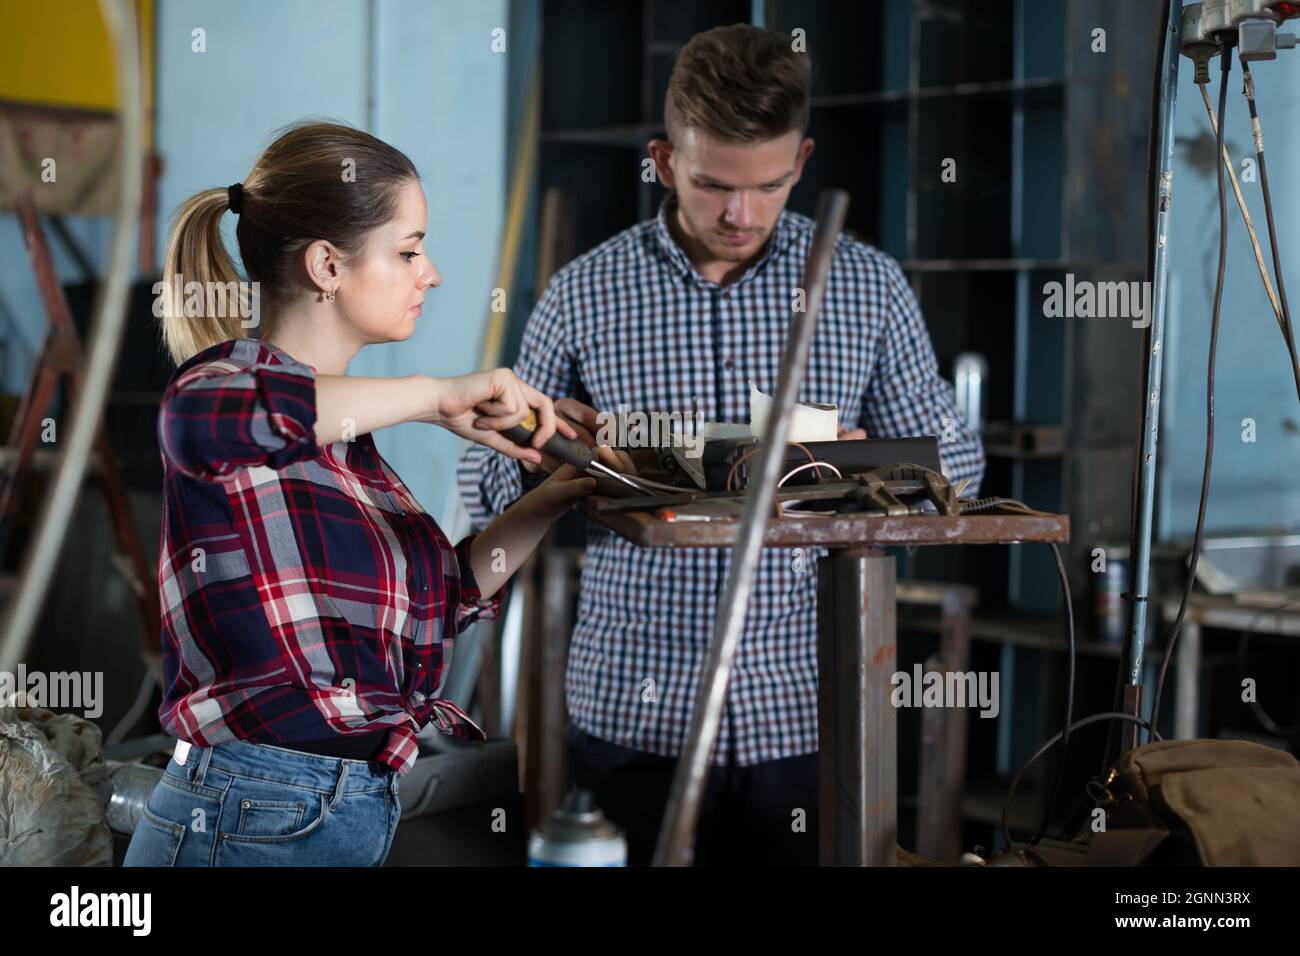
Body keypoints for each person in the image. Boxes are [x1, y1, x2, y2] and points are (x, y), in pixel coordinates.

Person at [459, 24, 985, 866]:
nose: (740, 214)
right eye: (711, 185)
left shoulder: (864, 284)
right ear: (665, 161)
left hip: (807, 710)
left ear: (802, 161)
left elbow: (959, 466)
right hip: (633, 712)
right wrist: (543, 443)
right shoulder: (585, 291)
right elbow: (482, 489)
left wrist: (870, 465)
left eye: (769, 186)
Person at [124, 121, 593, 867]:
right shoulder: (220, 385)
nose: (429, 273)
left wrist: (560, 493)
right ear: (326, 266)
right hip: (246, 811)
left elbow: (449, 597)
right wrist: (436, 397)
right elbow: (207, 422)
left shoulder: (349, 449)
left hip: (324, 812)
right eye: (408, 250)